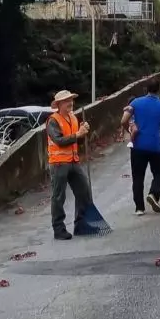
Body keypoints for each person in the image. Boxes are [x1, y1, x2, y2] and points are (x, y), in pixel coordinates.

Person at [46, 90, 92, 240]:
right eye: (66, 101)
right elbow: (59, 141)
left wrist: (82, 132)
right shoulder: (53, 120)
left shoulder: (73, 117)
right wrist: (78, 134)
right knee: (58, 197)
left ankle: (81, 224)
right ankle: (58, 229)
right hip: (59, 163)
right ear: (58, 104)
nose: (70, 103)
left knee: (84, 191)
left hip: (73, 160)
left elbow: (75, 140)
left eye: (71, 100)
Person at [121, 79, 160, 214]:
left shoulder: (135, 103)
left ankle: (139, 208)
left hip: (137, 145)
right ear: (158, 89)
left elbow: (124, 120)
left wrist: (129, 130)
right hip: (155, 145)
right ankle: (153, 194)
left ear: (145, 89)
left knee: (138, 177)